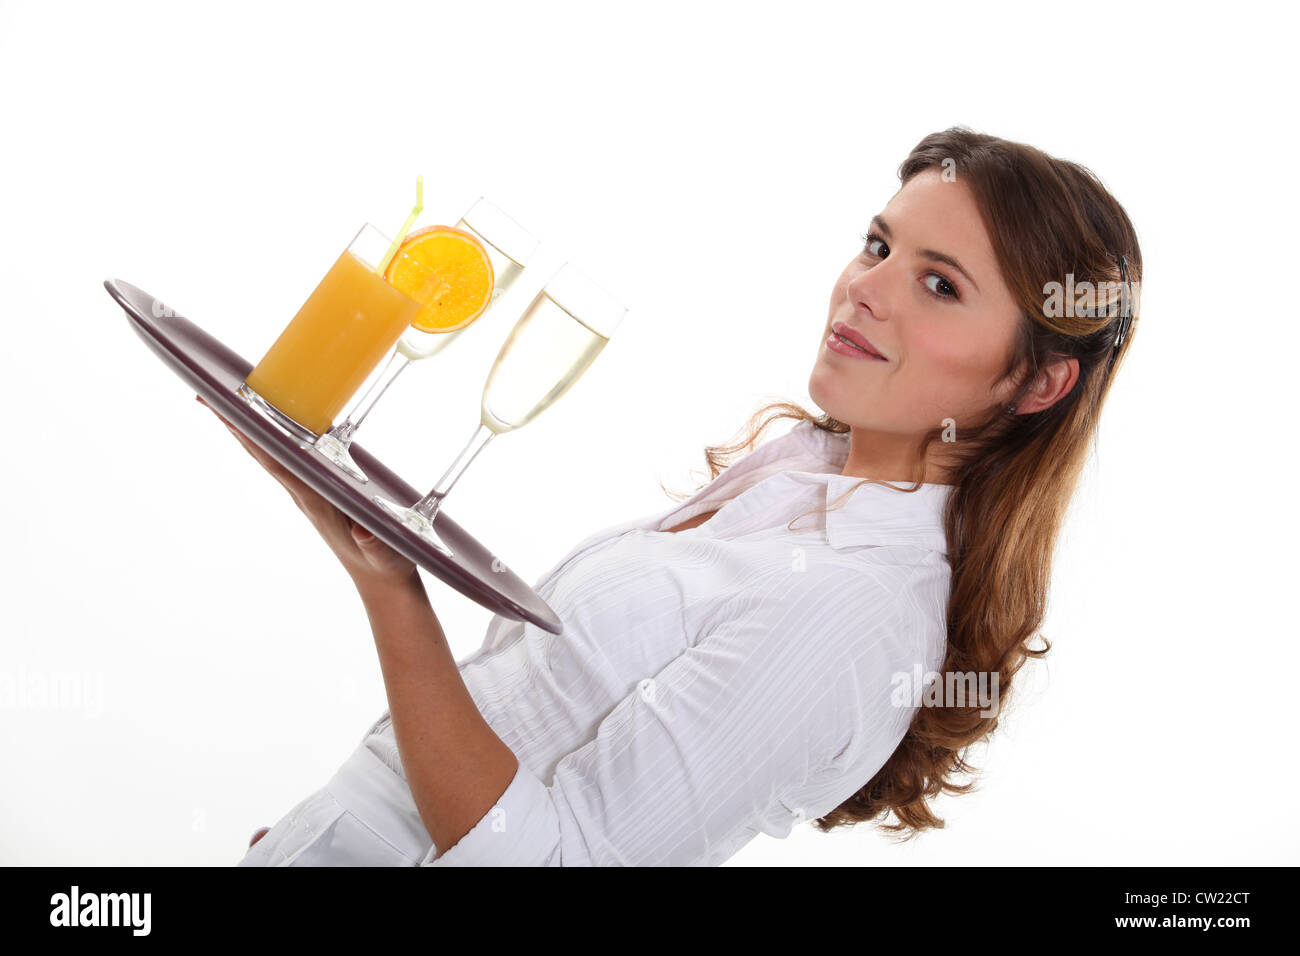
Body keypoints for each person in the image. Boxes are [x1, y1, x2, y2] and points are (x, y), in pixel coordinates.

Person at [208, 125, 1141, 866]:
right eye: (876, 245)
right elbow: (527, 704)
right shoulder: (792, 475)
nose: (864, 291)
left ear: (1036, 383)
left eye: (939, 284)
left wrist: (391, 590)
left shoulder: (856, 611)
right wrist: (345, 825)